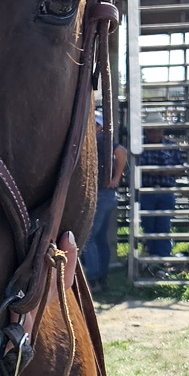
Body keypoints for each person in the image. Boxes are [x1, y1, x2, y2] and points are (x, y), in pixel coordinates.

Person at [81, 110, 126, 292]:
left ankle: (93, 279)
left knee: (89, 237)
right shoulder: (103, 142)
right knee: (100, 238)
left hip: (100, 193)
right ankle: (103, 277)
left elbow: (121, 152)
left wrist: (116, 177)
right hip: (107, 194)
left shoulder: (98, 141)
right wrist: (116, 178)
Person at [139, 124, 183, 259]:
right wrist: (165, 171)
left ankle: (162, 257)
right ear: (147, 131)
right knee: (149, 225)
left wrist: (157, 171)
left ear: (162, 130)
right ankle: (154, 255)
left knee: (164, 224)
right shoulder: (139, 146)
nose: (155, 133)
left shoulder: (171, 146)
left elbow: (180, 169)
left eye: (157, 130)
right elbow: (140, 168)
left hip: (165, 191)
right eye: (152, 130)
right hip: (148, 190)